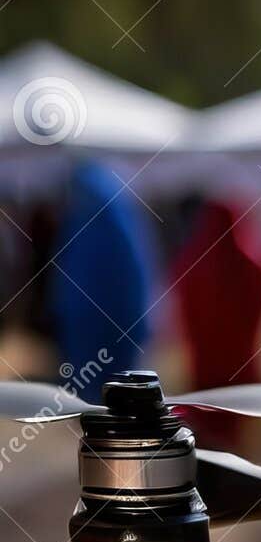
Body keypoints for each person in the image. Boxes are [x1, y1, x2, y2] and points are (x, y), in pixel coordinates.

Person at [168, 198, 261, 448]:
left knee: (208, 429)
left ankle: (214, 472)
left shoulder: (192, 263)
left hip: (204, 367)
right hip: (242, 364)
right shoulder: (251, 264)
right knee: (237, 437)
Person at [48, 160, 155, 397]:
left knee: (114, 397)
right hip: (89, 328)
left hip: (111, 326)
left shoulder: (106, 226)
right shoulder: (89, 225)